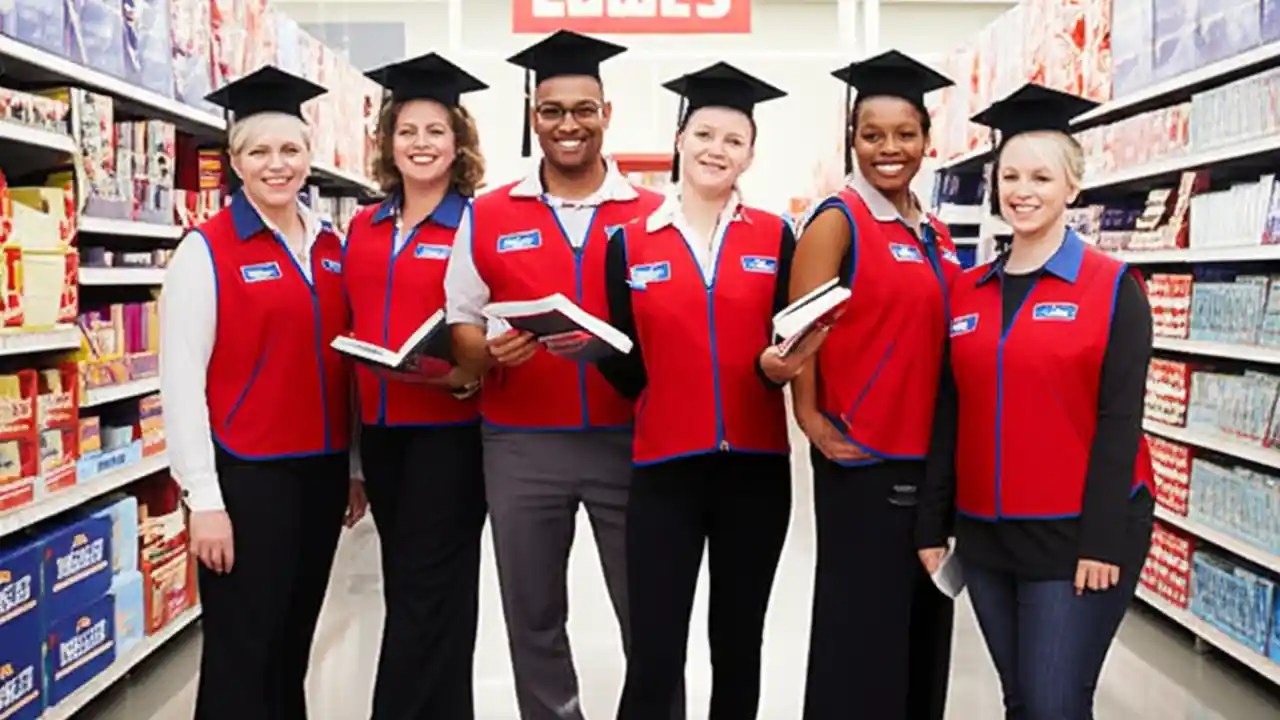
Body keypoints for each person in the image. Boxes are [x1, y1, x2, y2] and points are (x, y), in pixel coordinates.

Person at [442, 29, 666, 720]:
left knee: (650, 612)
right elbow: (461, 322)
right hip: (519, 445)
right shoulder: (488, 213)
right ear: (533, 116)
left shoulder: (654, 215)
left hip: (630, 442)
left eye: (583, 109)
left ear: (607, 113)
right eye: (552, 111)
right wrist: (486, 353)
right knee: (532, 613)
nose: (568, 125)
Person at [916, 83, 1155, 720]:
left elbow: (1120, 423)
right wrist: (933, 522)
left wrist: (1101, 541)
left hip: (1077, 535)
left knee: (1054, 701)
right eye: (1011, 176)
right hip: (987, 537)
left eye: (1042, 177)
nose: (1022, 191)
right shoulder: (967, 291)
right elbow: (950, 411)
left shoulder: (1112, 289)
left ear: (1072, 188)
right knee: (1020, 698)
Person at [595, 62, 815, 720]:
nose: (718, 150)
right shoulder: (628, 244)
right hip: (665, 471)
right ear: (680, 139)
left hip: (755, 470)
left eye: (734, 139)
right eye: (705, 134)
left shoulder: (777, 236)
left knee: (739, 644)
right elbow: (622, 356)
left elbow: (791, 335)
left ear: (751, 152)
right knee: (656, 652)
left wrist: (782, 365)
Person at [159, 66, 365, 720]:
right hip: (247, 478)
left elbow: (343, 367)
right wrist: (204, 500)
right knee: (242, 650)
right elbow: (182, 383)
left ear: (310, 156)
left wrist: (354, 467)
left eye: (290, 150)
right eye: (258, 152)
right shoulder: (206, 251)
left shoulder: (331, 246)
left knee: (291, 644)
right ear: (237, 164)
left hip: (322, 473)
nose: (276, 165)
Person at [789, 50, 961, 720]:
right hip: (864, 460)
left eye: (905, 134)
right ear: (852, 139)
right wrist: (810, 417)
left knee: (924, 632)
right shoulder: (839, 220)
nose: (889, 148)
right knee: (860, 638)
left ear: (926, 137)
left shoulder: (937, 232)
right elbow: (799, 329)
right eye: (872, 134)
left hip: (933, 465)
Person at [344, 53, 489, 720]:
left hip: (451, 436)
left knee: (433, 592)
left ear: (458, 142)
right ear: (388, 143)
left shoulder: (478, 224)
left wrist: (473, 368)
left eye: (435, 130)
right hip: (381, 436)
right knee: (408, 591)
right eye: (407, 130)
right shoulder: (361, 229)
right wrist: (352, 463)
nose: (421, 143)